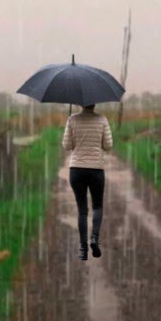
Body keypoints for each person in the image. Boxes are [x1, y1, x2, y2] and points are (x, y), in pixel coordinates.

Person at [62, 103, 114, 261]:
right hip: (96, 170)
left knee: (82, 210)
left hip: (76, 170)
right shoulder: (102, 120)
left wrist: (74, 131)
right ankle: (94, 238)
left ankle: (83, 249)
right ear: (95, 103)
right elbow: (108, 146)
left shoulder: (72, 119)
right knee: (97, 206)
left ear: (81, 103)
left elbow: (66, 146)